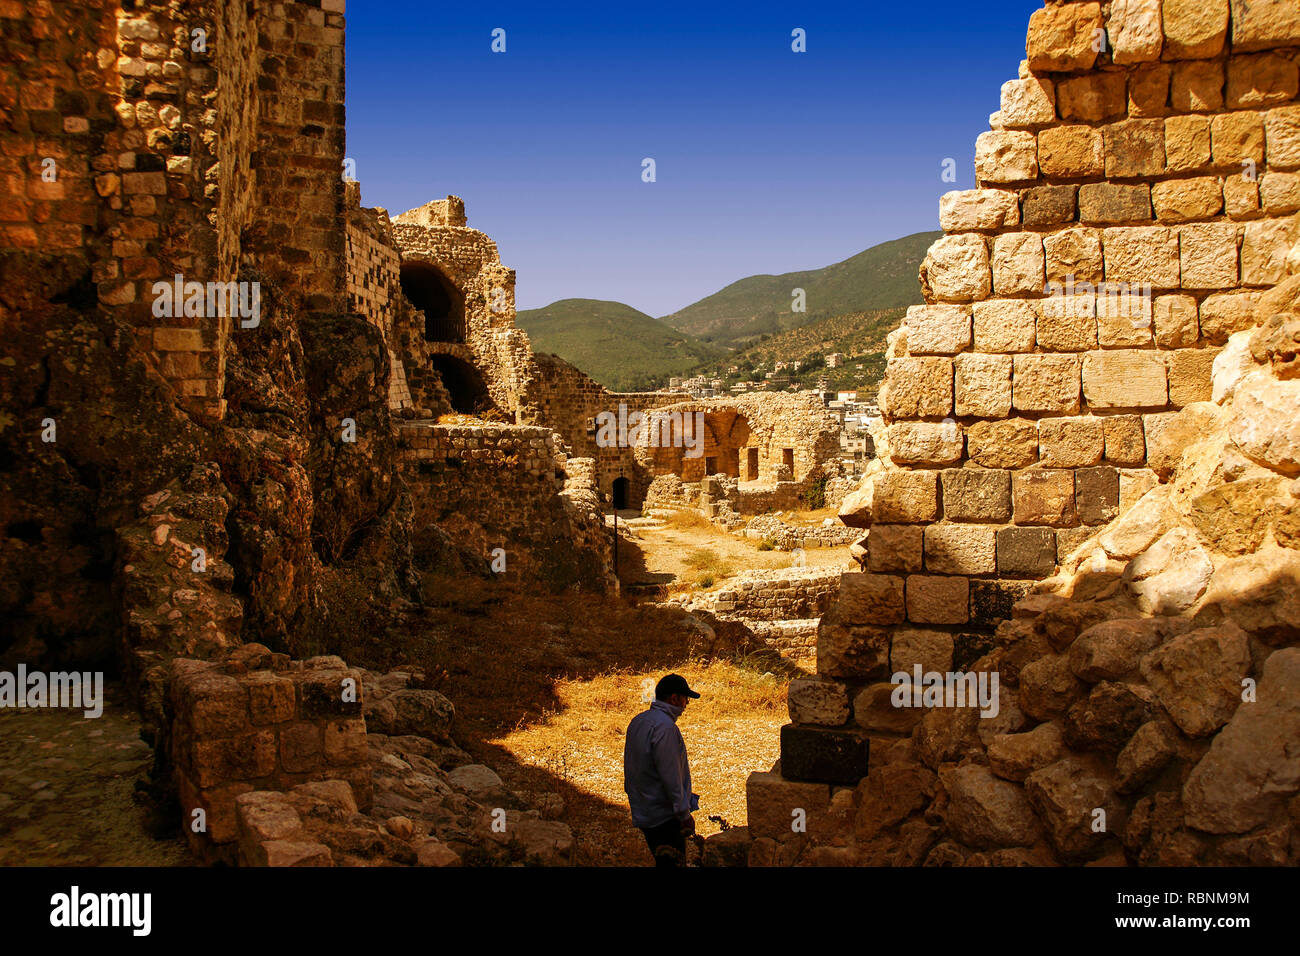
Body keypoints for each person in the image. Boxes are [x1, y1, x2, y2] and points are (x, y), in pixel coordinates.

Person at [623, 673, 701, 867]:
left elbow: (631, 766)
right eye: (685, 700)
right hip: (663, 816)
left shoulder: (639, 721)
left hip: (644, 809)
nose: (685, 706)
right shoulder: (665, 728)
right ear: (674, 698)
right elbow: (671, 776)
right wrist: (684, 814)